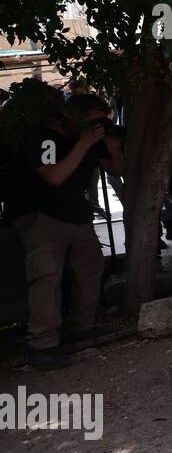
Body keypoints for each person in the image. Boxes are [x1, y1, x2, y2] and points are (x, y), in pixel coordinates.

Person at [11, 93, 124, 369]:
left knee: (90, 269)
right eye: (94, 122)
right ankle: (42, 344)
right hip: (42, 216)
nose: (99, 127)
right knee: (46, 275)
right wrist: (85, 144)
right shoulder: (45, 138)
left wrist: (113, 149)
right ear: (73, 118)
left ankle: (82, 326)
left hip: (76, 214)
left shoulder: (90, 140)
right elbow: (54, 175)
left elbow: (116, 170)